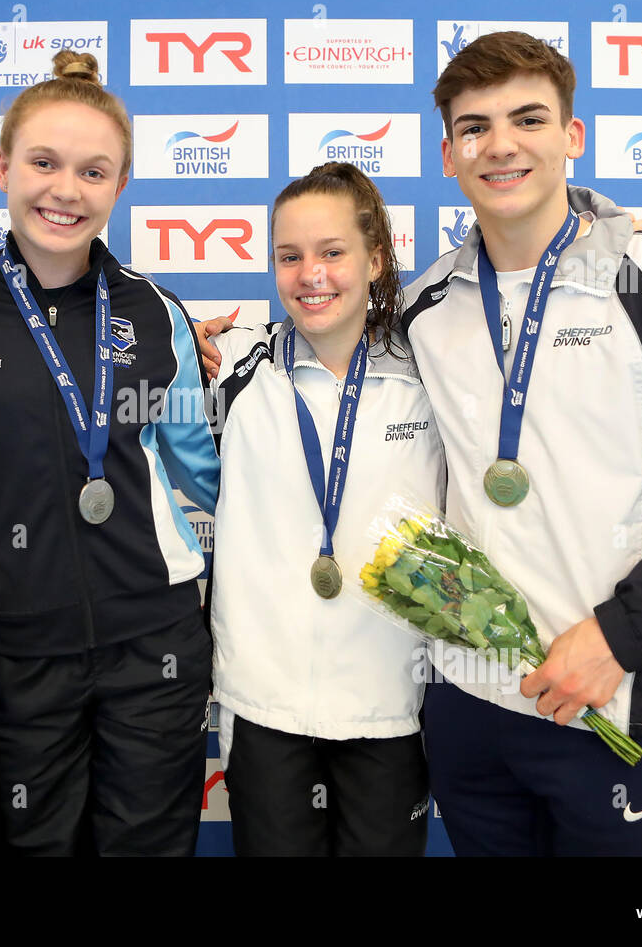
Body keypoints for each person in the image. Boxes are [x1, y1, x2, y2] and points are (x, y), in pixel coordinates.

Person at [401, 31, 642, 855]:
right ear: (448, 152)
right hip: (470, 707)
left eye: (528, 118)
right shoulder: (425, 304)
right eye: (474, 126)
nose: (500, 144)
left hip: (611, 699)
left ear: (572, 136)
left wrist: (620, 635)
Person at [0, 51, 221, 855]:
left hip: (154, 645)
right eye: (44, 163)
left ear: (119, 186)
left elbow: (205, 469)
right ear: (2, 166)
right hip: (10, 652)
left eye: (94, 171)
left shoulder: (156, 315)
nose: (65, 190)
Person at [207, 163, 441, 855]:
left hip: (390, 706)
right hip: (264, 704)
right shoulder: (232, 366)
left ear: (375, 258)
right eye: (290, 255)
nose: (311, 273)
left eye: (332, 252)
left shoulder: (431, 373)